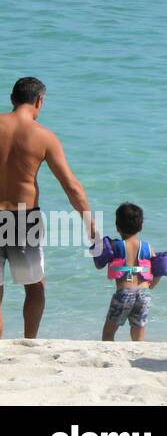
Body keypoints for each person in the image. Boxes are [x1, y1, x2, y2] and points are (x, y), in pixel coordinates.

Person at [0, 77, 98, 338]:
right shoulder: (44, 136)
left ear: (12, 99)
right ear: (39, 101)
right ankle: (30, 342)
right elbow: (72, 187)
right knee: (34, 286)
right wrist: (90, 224)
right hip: (24, 219)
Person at [102, 202, 162, 342]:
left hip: (124, 294)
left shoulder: (116, 246)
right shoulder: (148, 248)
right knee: (138, 333)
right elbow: (159, 270)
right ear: (140, 226)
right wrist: (151, 285)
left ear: (117, 226)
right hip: (144, 294)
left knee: (108, 332)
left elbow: (99, 262)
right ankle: (138, 354)